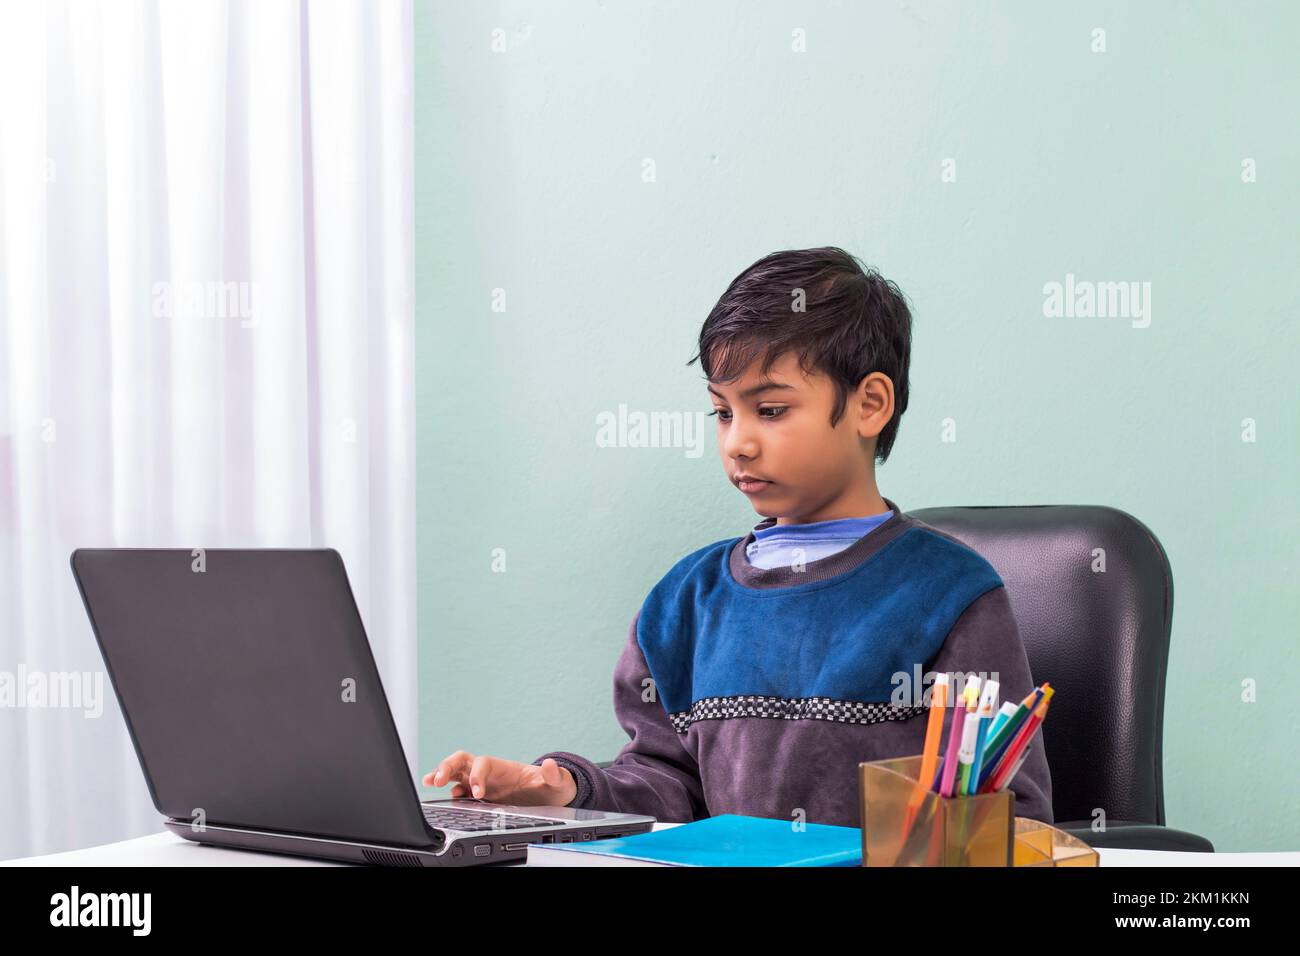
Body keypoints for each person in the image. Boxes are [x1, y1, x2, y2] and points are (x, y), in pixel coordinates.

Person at [424, 246, 1053, 826]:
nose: (737, 441)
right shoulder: (685, 602)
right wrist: (562, 789)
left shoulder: (951, 594)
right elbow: (665, 784)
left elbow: (1011, 813)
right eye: (722, 411)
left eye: (770, 410)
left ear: (869, 405)